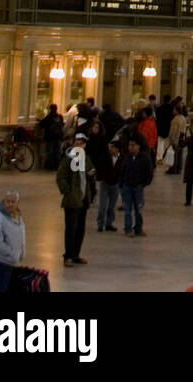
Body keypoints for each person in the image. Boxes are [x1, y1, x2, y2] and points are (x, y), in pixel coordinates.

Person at [56, 131, 94, 266]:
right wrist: (68, 191)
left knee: (80, 229)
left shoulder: (86, 159)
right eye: (77, 143)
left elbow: (90, 174)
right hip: (72, 200)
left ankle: (76, 254)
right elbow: (60, 177)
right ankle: (68, 256)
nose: (79, 145)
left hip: (83, 199)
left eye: (81, 143)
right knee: (71, 229)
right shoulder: (68, 160)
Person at [0, 189, 26, 293]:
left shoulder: (18, 217)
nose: (10, 204)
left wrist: (22, 252)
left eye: (13, 202)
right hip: (3, 262)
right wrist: (11, 253)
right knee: (0, 287)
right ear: (4, 202)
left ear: (17, 203)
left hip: (13, 262)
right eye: (7, 201)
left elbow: (21, 235)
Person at [117, 136, 154, 237]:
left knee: (139, 209)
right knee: (127, 209)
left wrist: (144, 183)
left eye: (133, 145)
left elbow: (149, 173)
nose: (131, 147)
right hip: (127, 186)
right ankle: (128, 229)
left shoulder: (145, 158)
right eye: (129, 145)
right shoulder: (127, 157)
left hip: (138, 187)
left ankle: (138, 228)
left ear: (138, 146)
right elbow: (122, 171)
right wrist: (121, 184)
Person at [95, 138, 121, 232]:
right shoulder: (104, 157)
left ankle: (109, 223)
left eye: (113, 147)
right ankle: (100, 224)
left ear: (117, 149)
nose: (110, 149)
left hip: (115, 184)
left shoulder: (121, 159)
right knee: (102, 206)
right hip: (105, 183)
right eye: (110, 147)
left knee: (111, 206)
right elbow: (99, 168)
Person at [37, 104, 63, 171]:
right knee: (58, 151)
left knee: (50, 152)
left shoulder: (49, 117)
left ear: (50, 109)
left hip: (50, 137)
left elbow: (41, 124)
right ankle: (57, 165)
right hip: (58, 137)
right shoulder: (60, 117)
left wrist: (39, 120)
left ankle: (51, 165)